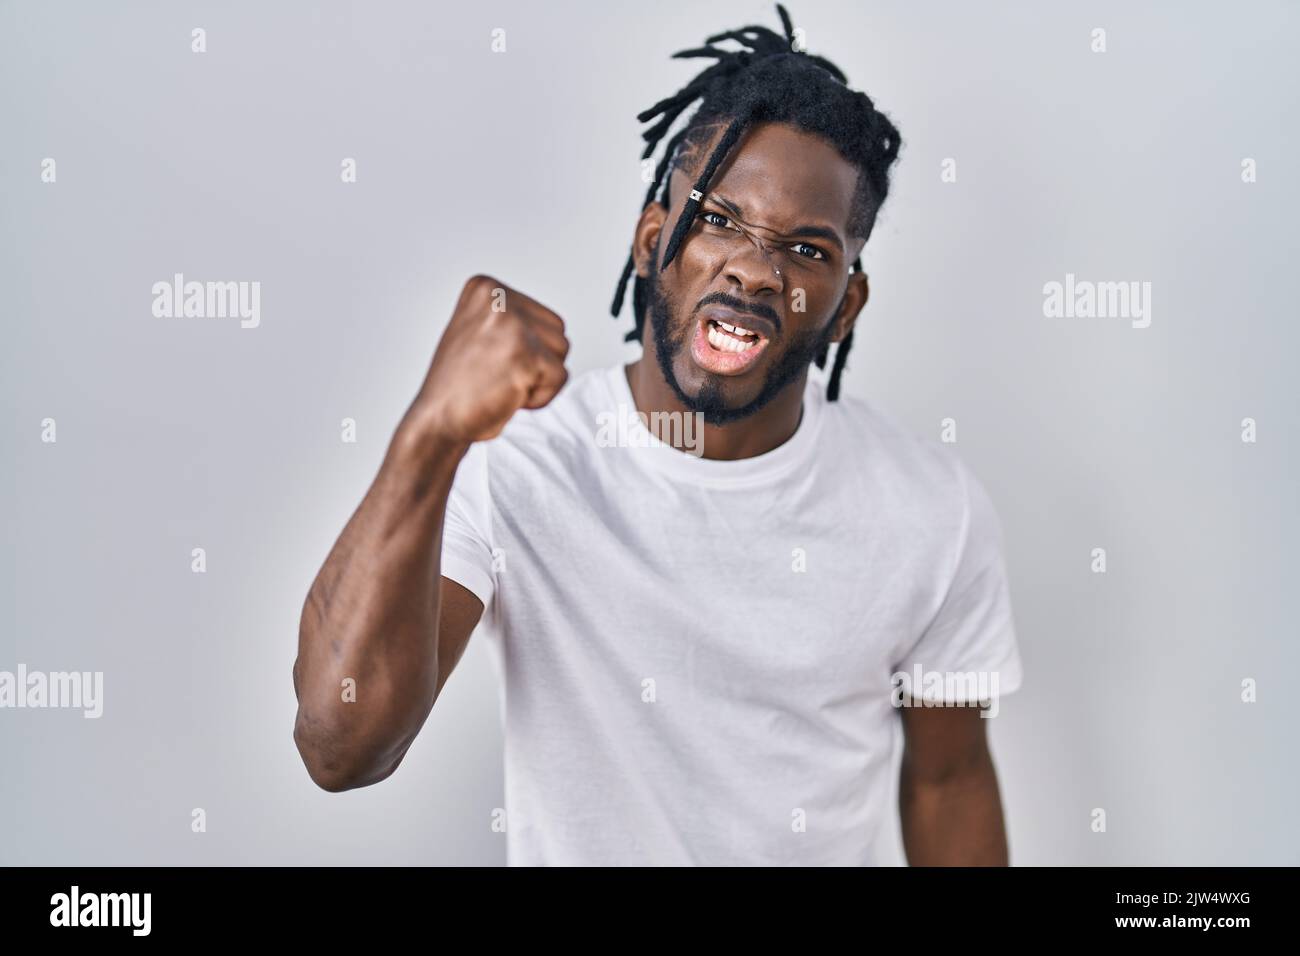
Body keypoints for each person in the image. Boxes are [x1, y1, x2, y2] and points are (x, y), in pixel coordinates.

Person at [292, 3, 1024, 866]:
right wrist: (429, 437)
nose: (754, 267)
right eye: (718, 220)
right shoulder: (517, 462)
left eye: (808, 250)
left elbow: (949, 781)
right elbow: (341, 749)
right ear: (652, 242)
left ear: (844, 308)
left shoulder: (930, 510)